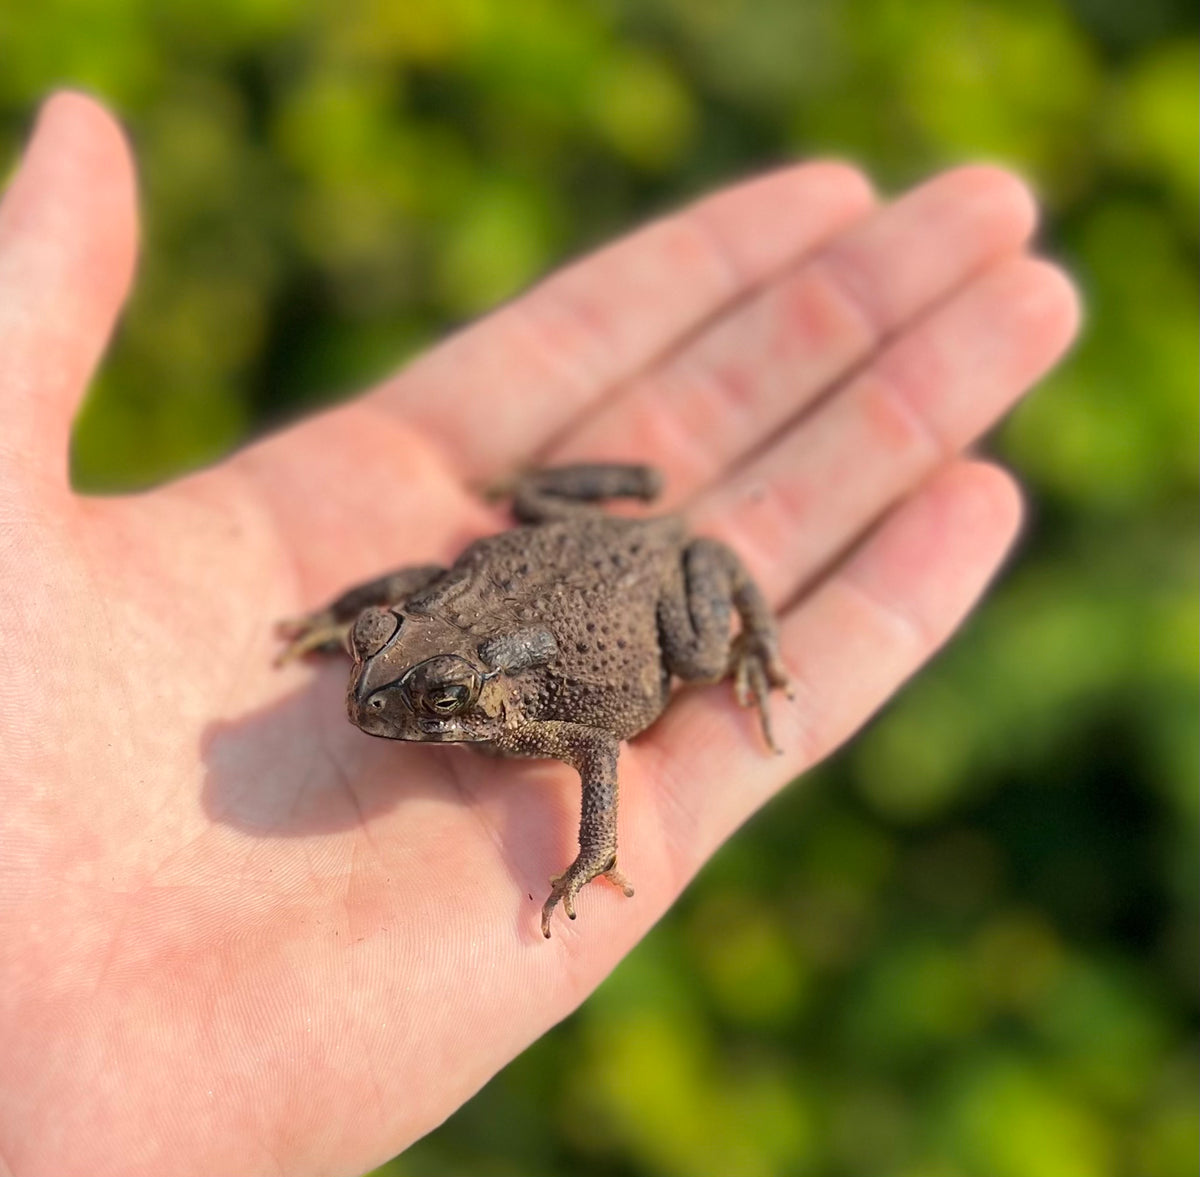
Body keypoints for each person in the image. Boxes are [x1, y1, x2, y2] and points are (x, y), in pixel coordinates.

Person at [0, 92, 1078, 1176]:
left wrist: (591, 855)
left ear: (477, 700)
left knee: (700, 658)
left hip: (640, 597)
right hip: (532, 573)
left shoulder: (520, 709)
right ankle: (533, 539)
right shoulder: (431, 640)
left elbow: (598, 744)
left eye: (428, 701)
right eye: (385, 655)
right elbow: (417, 590)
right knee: (487, 557)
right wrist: (354, 619)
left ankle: (746, 629)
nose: (381, 702)